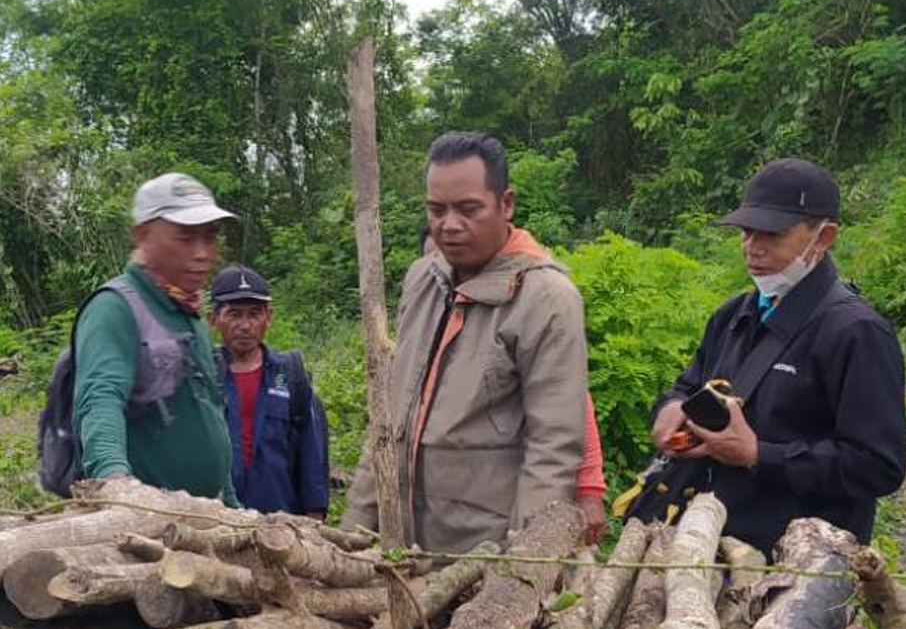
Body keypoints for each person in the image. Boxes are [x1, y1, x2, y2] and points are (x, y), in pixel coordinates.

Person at [343, 132, 589, 553]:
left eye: (468, 209)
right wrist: (356, 532)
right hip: (404, 544)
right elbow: (389, 421)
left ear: (505, 204)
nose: (449, 225)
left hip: (481, 554)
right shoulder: (423, 278)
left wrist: (519, 575)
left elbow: (552, 451)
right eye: (436, 210)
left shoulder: (545, 298)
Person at [649, 157, 906, 555]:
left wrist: (759, 454)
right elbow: (687, 385)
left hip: (797, 563)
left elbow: (878, 465)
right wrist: (671, 409)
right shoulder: (733, 315)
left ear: (823, 237)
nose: (753, 248)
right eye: (747, 233)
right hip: (711, 542)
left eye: (773, 234)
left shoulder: (856, 332)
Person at [415, 224, 607, 543]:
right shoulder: (427, 319)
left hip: (510, 501)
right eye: (435, 260)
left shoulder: (518, 306)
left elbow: (572, 403)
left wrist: (588, 488)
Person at [72, 173, 241, 505]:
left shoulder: (188, 310)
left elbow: (209, 413)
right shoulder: (115, 307)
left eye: (210, 238)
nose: (203, 253)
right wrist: (115, 484)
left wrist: (231, 504)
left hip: (207, 515)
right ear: (142, 235)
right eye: (186, 238)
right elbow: (100, 399)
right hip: (152, 523)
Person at [208, 264, 330, 518]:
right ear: (214, 319)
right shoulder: (202, 378)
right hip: (215, 521)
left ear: (269, 318)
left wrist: (314, 522)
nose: (245, 325)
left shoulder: (291, 377)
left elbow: (312, 458)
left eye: (254, 314)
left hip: (280, 526)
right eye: (234, 314)